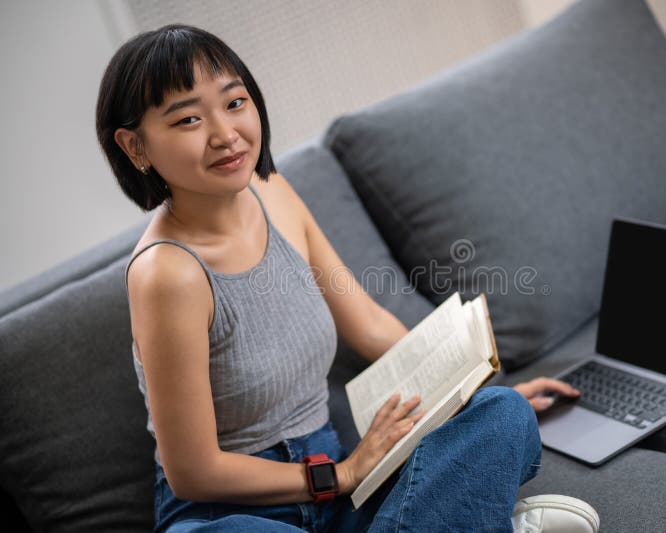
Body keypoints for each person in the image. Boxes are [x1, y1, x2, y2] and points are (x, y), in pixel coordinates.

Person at [96, 24, 598, 532]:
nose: (226, 134)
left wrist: (470, 387)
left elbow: (370, 325)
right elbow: (193, 472)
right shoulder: (167, 274)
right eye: (188, 119)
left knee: (503, 413)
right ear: (135, 147)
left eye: (235, 102)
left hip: (336, 496)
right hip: (233, 512)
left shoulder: (273, 193)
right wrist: (338, 475)